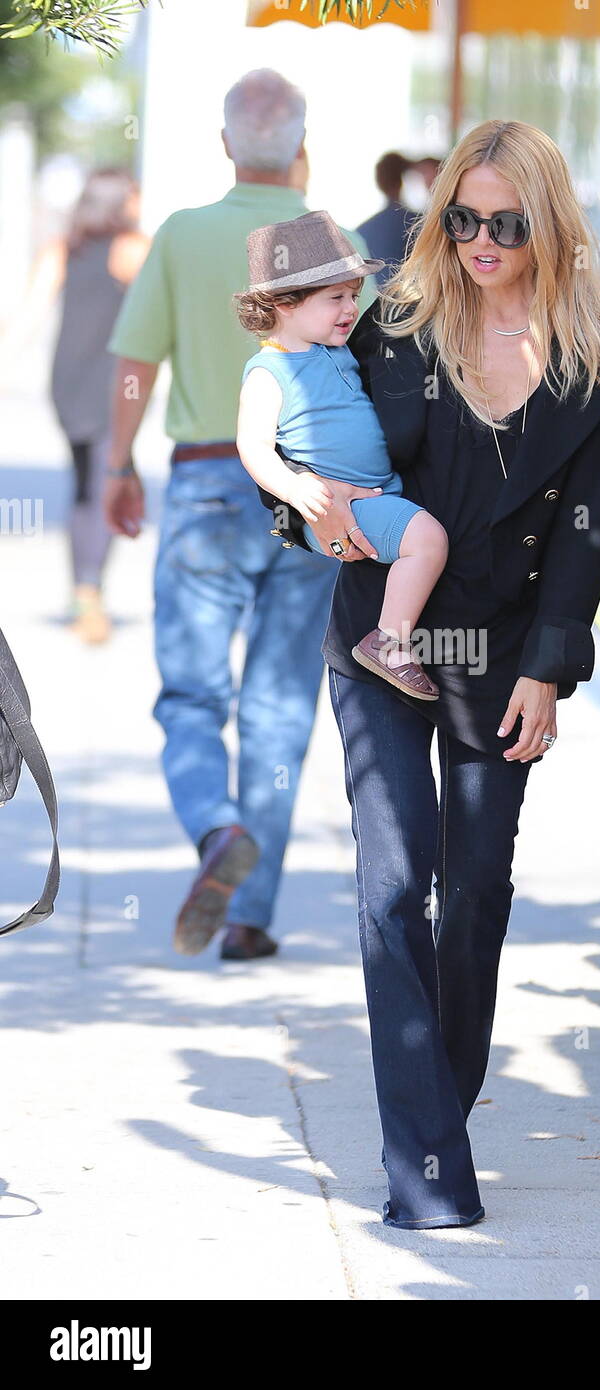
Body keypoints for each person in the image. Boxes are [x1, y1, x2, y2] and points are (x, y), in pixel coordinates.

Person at [297, 119, 600, 1228]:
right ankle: (427, 1167)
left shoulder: (597, 366)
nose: (481, 241)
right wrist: (308, 518)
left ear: (547, 225)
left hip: (500, 660)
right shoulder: (390, 329)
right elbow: (312, 455)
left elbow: (586, 538)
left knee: (475, 893)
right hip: (383, 640)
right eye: (462, 218)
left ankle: (437, 1104)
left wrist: (548, 670)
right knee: (394, 881)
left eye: (505, 222)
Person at [103, 69, 378, 962]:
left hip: (208, 486)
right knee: (277, 705)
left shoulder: (182, 234)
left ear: (228, 145)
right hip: (313, 499)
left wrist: (117, 465)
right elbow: (372, 381)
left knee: (191, 692)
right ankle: (251, 915)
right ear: (302, 149)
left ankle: (217, 829)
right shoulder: (337, 246)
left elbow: (137, 365)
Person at [234, 211, 448, 701]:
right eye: (336, 298)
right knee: (429, 542)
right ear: (283, 303)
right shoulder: (270, 371)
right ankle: (389, 642)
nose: (351, 308)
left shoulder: (335, 350)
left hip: (372, 495)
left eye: (354, 295)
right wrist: (293, 488)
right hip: (334, 504)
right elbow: (253, 446)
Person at [34, 168, 149, 642]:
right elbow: (153, 318)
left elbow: (29, 310)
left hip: (66, 382)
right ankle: (89, 594)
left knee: (84, 484)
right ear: (121, 200)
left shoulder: (63, 248)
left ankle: (84, 591)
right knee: (109, 480)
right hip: (110, 385)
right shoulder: (134, 249)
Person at [356, 152, 417, 290]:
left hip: (374, 308)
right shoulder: (421, 223)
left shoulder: (360, 233)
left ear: (378, 182)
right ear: (404, 179)